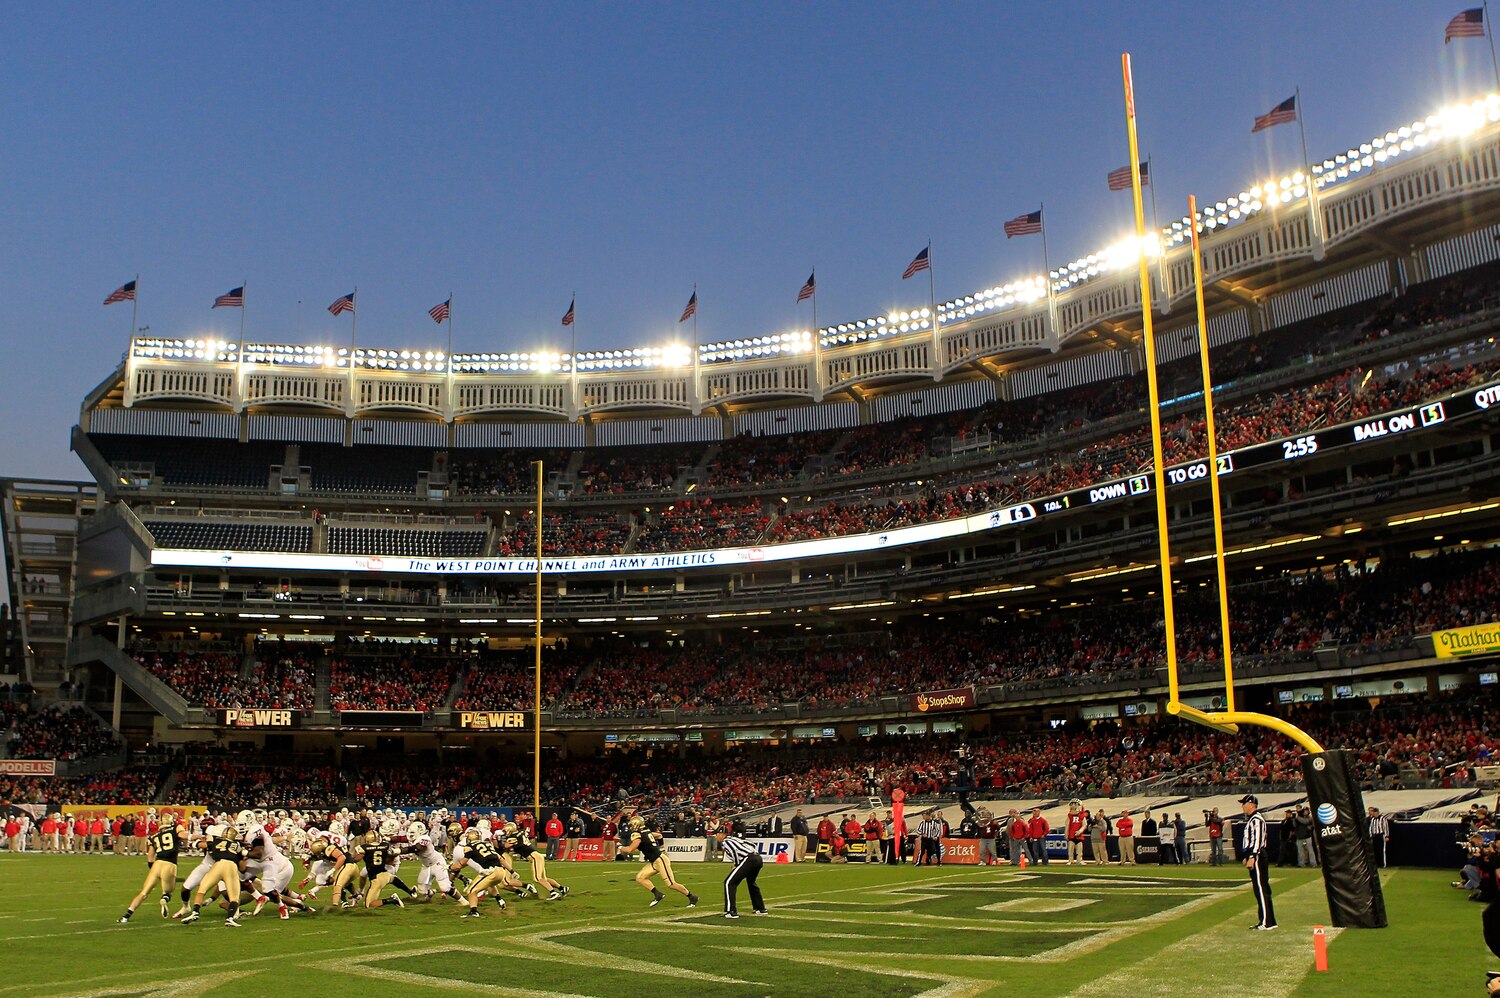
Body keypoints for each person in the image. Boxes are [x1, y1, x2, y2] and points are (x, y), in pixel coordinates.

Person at [620, 815, 698, 909]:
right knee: (640, 878)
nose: (631, 827)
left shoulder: (637, 834)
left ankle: (692, 897)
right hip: (654, 861)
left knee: (671, 884)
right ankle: (658, 895)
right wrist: (661, 848)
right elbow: (659, 835)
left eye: (632, 825)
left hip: (660, 860)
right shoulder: (646, 831)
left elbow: (630, 849)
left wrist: (619, 847)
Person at [118, 816, 183, 922]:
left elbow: (150, 857)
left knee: (143, 893)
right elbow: (184, 835)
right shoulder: (175, 829)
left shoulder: (154, 836)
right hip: (170, 864)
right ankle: (164, 899)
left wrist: (153, 869)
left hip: (156, 864)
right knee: (167, 892)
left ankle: (126, 915)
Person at [1241, 795, 1276, 930]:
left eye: (1244, 803)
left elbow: (1257, 840)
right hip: (1256, 855)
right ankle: (1266, 920)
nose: (1242, 806)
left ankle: (1267, 922)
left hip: (1258, 855)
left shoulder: (1256, 820)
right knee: (1259, 888)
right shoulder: (1253, 819)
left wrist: (1252, 855)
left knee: (1261, 889)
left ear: (1251, 804)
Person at [714, 828, 766, 919]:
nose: (716, 836)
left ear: (722, 834)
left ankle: (731, 911)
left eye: (717, 834)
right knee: (751, 882)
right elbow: (751, 844)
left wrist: (736, 864)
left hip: (748, 859)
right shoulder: (735, 839)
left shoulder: (726, 841)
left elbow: (734, 850)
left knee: (729, 882)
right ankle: (760, 908)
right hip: (757, 858)